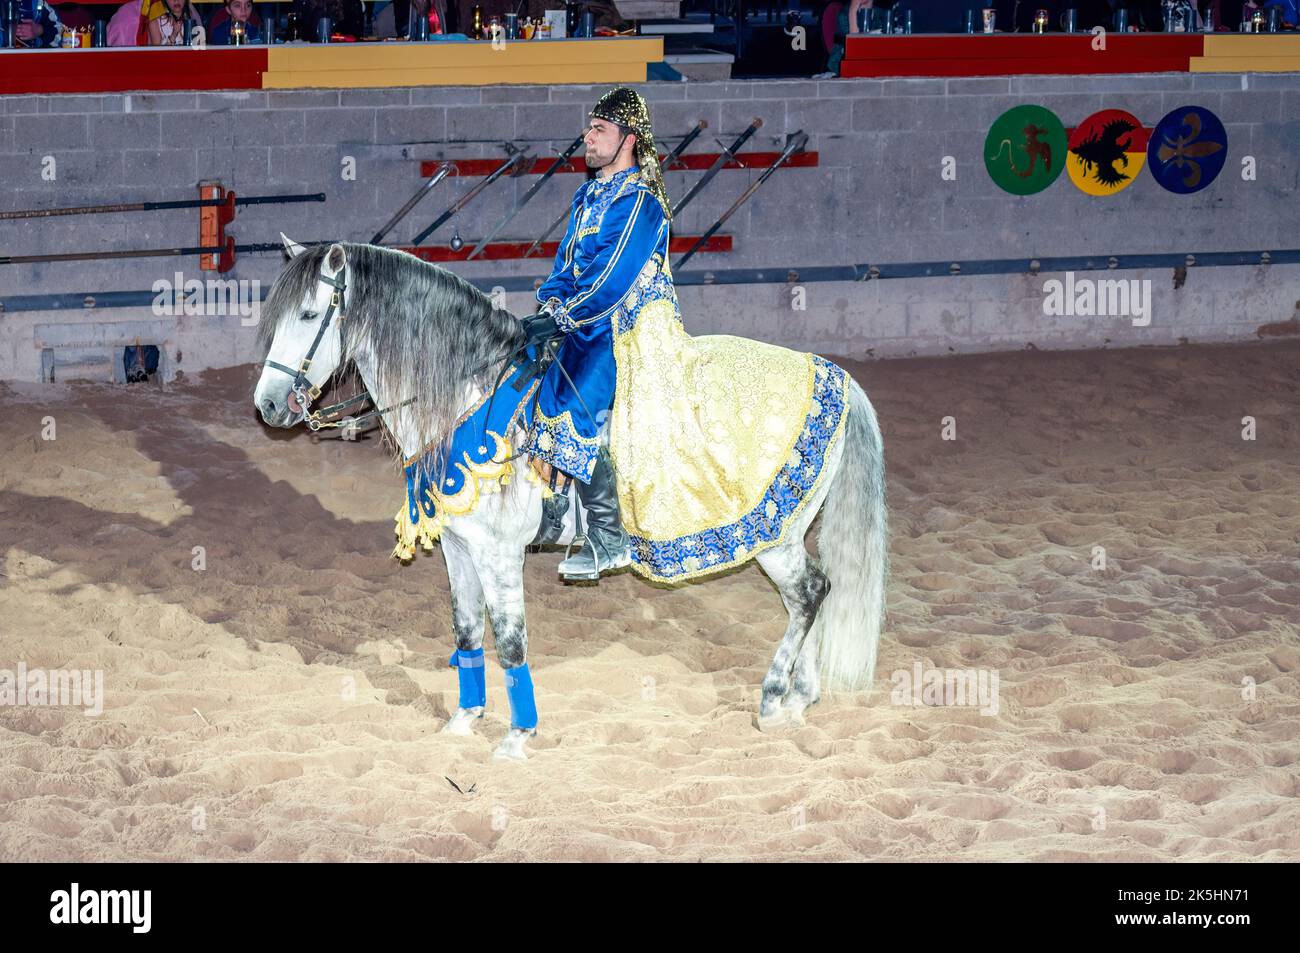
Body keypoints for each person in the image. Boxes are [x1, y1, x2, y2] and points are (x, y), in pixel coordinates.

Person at [520, 87, 850, 587]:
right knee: (528, 376)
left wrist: (566, 316)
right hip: (587, 324)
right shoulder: (587, 197)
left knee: (581, 400)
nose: (588, 136)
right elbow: (567, 264)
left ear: (628, 141)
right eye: (589, 127)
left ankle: (607, 535)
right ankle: (552, 502)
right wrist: (548, 305)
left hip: (633, 330)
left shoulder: (641, 204)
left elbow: (611, 277)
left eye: (599, 129)